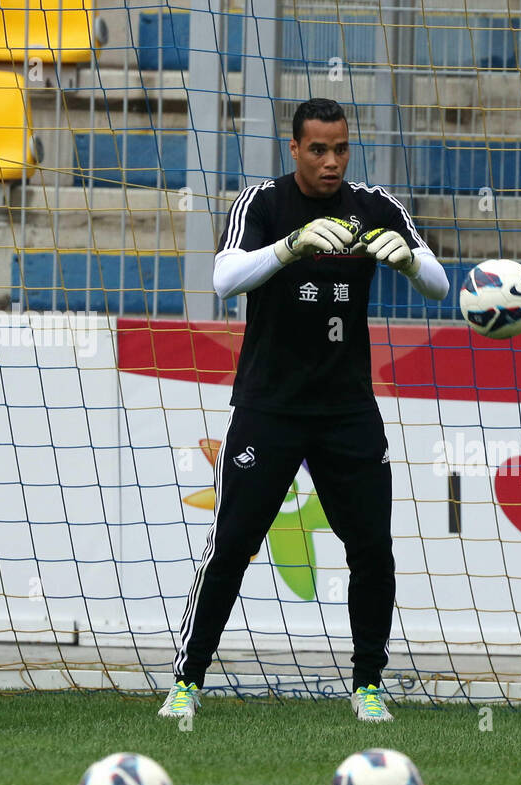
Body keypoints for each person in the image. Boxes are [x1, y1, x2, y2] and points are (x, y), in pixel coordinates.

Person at [158, 97, 450, 722]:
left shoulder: (376, 205)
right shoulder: (262, 204)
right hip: (270, 406)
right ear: (294, 149)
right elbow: (224, 279)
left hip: (347, 411)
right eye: (318, 149)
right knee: (233, 541)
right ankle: (188, 678)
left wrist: (407, 258)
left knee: (371, 547)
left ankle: (368, 683)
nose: (331, 161)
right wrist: (291, 246)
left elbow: (439, 283)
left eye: (341, 148)